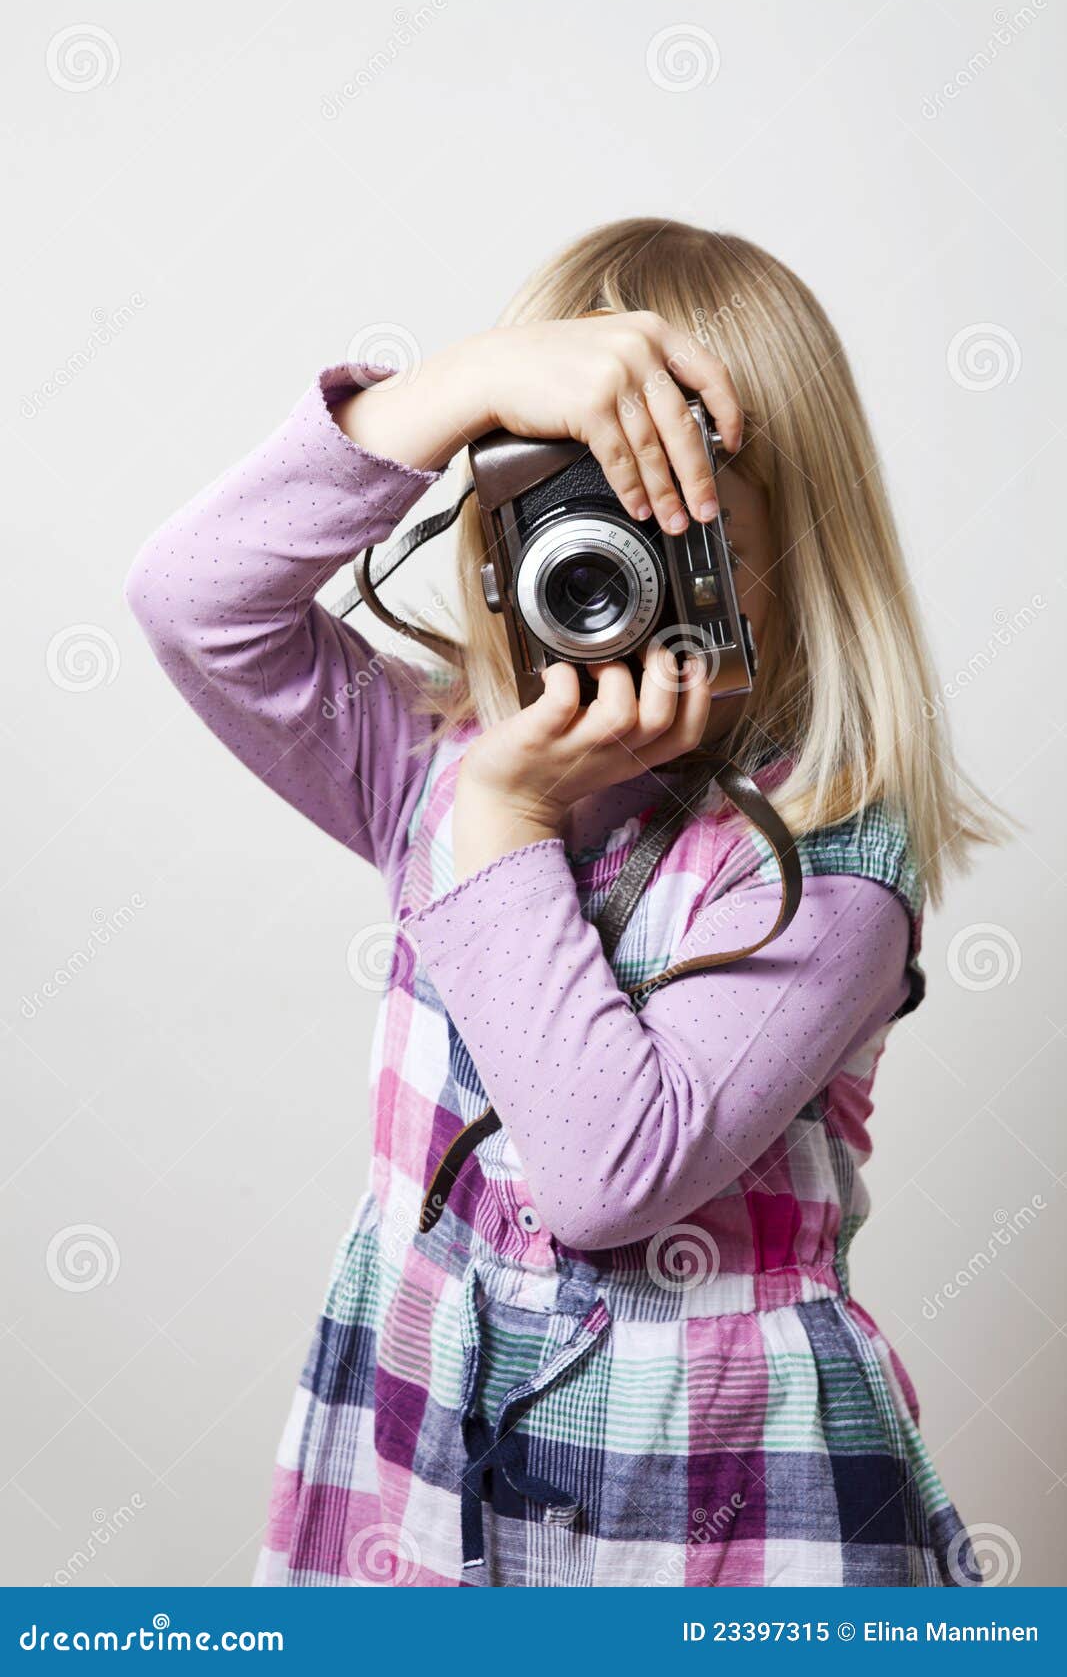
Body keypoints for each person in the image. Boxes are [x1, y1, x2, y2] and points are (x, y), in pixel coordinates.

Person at [126, 217, 998, 1587]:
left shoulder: (828, 855)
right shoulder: (430, 757)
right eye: (568, 514)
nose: (609, 569)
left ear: (793, 547)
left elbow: (609, 1175)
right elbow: (191, 602)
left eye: (671, 526)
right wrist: (450, 390)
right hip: (420, 1465)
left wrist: (507, 823)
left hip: (720, 1500)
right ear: (497, 534)